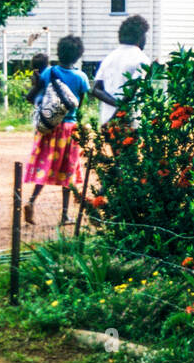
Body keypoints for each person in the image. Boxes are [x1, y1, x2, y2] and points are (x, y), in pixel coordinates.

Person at [24, 35, 89, 226]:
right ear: (78, 55)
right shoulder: (81, 77)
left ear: (59, 53)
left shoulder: (48, 72)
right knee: (68, 170)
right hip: (69, 128)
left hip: (49, 127)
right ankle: (64, 215)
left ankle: (31, 200)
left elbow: (36, 95)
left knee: (46, 165)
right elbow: (80, 104)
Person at [92, 14, 150, 127]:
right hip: (129, 121)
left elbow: (96, 89)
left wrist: (111, 118)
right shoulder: (142, 59)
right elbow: (131, 92)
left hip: (106, 118)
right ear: (140, 37)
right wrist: (116, 117)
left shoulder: (109, 58)